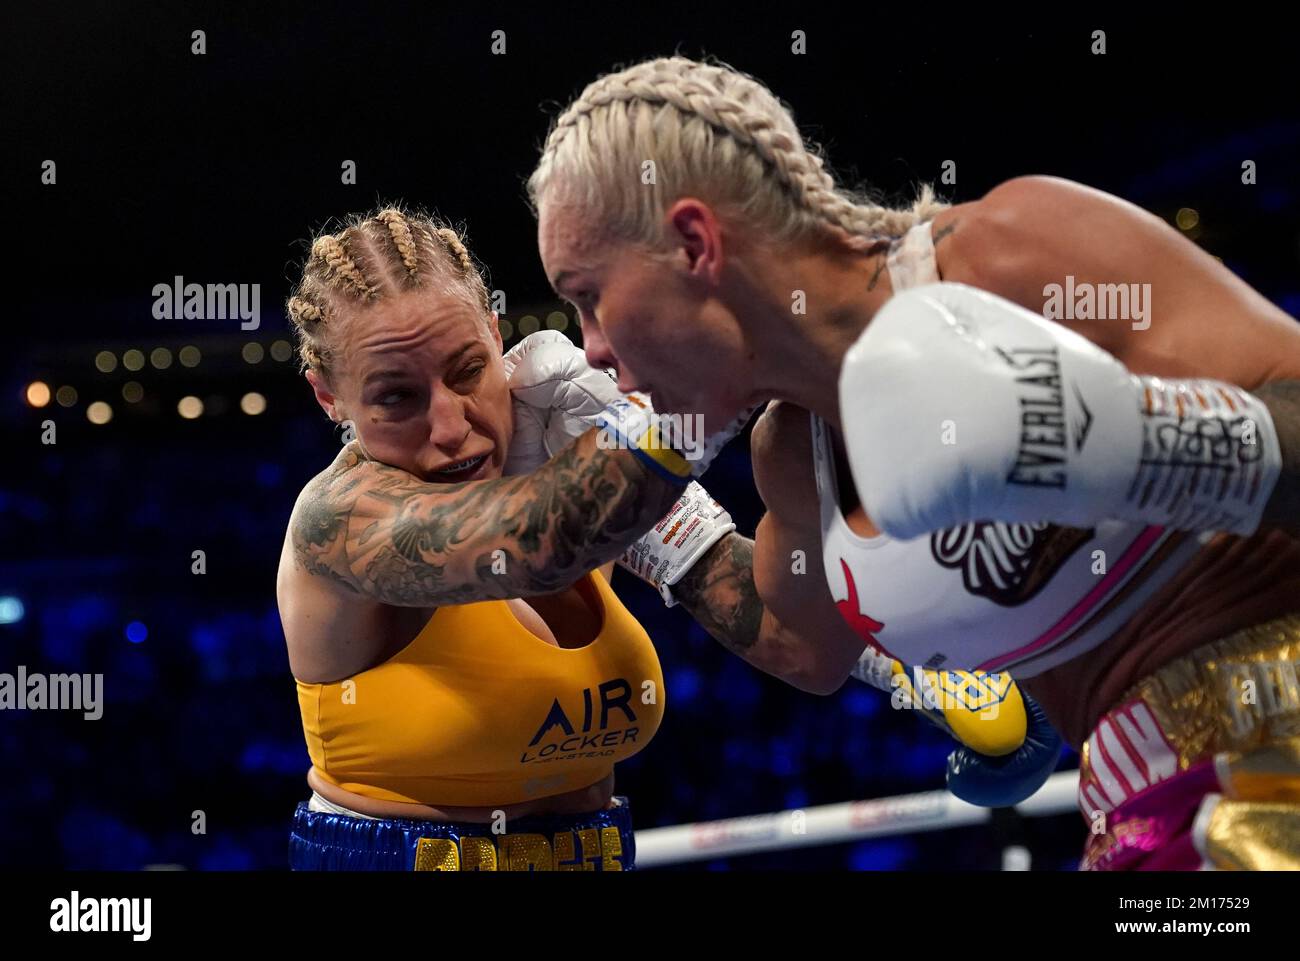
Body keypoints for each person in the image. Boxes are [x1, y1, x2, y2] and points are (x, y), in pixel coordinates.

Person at [526, 55, 1300, 869]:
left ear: (694, 244)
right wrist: (660, 524)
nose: (593, 348)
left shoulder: (999, 257)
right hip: (1139, 808)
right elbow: (802, 643)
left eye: (590, 296)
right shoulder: (792, 456)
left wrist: (1121, 439)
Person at [277, 206, 734, 870]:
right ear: (330, 398)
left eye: (467, 370)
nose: (449, 427)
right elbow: (532, 543)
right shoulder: (338, 520)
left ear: (497, 337)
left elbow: (793, 644)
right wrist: (663, 404)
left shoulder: (571, 469)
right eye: (397, 398)